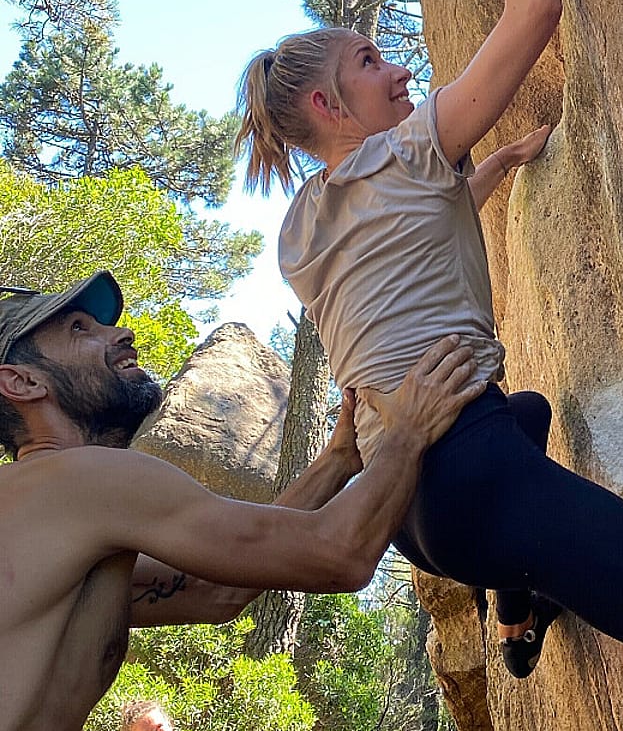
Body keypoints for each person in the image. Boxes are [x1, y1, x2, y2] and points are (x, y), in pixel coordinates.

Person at [233, 0, 623, 726]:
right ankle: (528, 586)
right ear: (327, 105)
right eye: (372, 62)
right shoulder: (410, 151)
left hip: (412, 515)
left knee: (531, 414)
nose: (401, 71)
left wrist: (488, 169)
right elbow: (536, 7)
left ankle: (517, 617)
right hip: (474, 476)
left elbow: (407, 246)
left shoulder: (300, 231)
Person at [0, 272, 485, 731]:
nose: (121, 333)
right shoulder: (85, 481)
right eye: (80, 329)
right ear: (22, 383)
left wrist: (340, 460)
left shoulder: (56, 523)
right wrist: (408, 433)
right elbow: (340, 555)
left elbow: (217, 592)